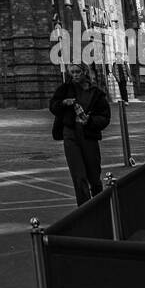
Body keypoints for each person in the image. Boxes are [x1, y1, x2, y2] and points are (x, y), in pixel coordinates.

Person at [49, 65, 111, 206]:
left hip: (88, 134)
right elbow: (53, 106)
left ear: (84, 72)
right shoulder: (65, 89)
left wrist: (90, 120)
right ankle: (84, 208)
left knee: (94, 175)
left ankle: (99, 204)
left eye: (78, 72)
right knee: (78, 175)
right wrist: (64, 103)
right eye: (72, 73)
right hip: (70, 133)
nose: (75, 75)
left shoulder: (96, 93)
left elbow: (105, 117)